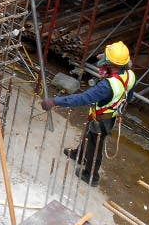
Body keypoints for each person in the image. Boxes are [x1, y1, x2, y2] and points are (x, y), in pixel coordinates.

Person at [41, 41, 136, 186]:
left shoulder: (106, 86)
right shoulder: (130, 75)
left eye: (106, 58)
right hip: (109, 114)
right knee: (88, 135)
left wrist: (55, 101)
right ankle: (79, 155)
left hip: (102, 119)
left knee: (94, 145)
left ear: (112, 64)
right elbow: (128, 97)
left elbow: (82, 98)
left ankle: (91, 176)